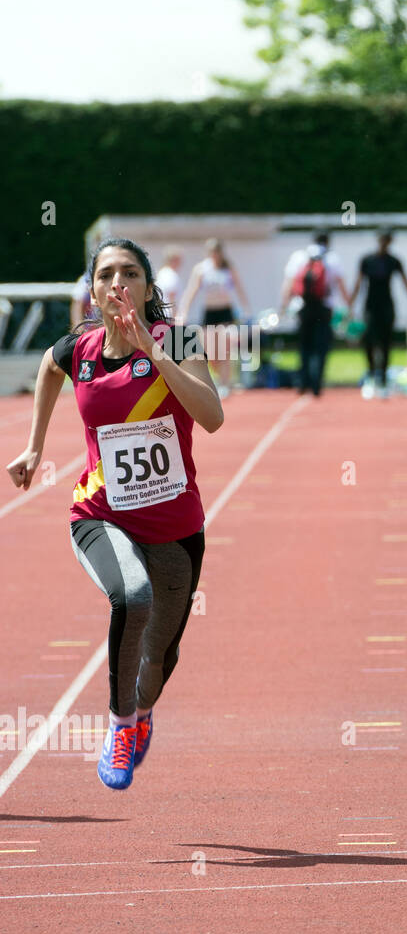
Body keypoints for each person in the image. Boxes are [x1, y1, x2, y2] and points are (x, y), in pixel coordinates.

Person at [6, 238, 223, 790]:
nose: (118, 283)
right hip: (100, 513)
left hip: (175, 529)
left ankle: (142, 712)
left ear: (149, 288)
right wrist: (35, 446)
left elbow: (213, 416)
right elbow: (48, 371)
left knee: (161, 655)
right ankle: (121, 724)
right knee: (132, 597)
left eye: (130, 272)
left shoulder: (181, 340)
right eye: (106, 274)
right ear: (93, 290)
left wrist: (153, 353)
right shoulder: (78, 350)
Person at [350, 229, 407, 399]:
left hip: (387, 306)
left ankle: (382, 378)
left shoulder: (394, 261)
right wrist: (350, 306)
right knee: (368, 339)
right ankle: (370, 373)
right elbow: (358, 283)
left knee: (385, 342)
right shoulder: (367, 260)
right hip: (370, 306)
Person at [177, 239, 250, 399]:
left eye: (217, 252)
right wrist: (184, 312)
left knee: (224, 350)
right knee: (210, 353)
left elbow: (239, 288)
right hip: (209, 313)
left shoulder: (228, 268)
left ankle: (225, 384)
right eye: (212, 252)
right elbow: (191, 291)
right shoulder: (201, 269)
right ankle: (219, 379)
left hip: (225, 313)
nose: (215, 255)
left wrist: (246, 310)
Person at [280, 230, 348, 398]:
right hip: (324, 308)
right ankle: (317, 385)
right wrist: (349, 306)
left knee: (305, 346)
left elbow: (289, 283)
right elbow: (340, 284)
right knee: (321, 346)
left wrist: (283, 306)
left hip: (303, 307)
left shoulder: (299, 256)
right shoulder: (332, 258)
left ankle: (303, 382)